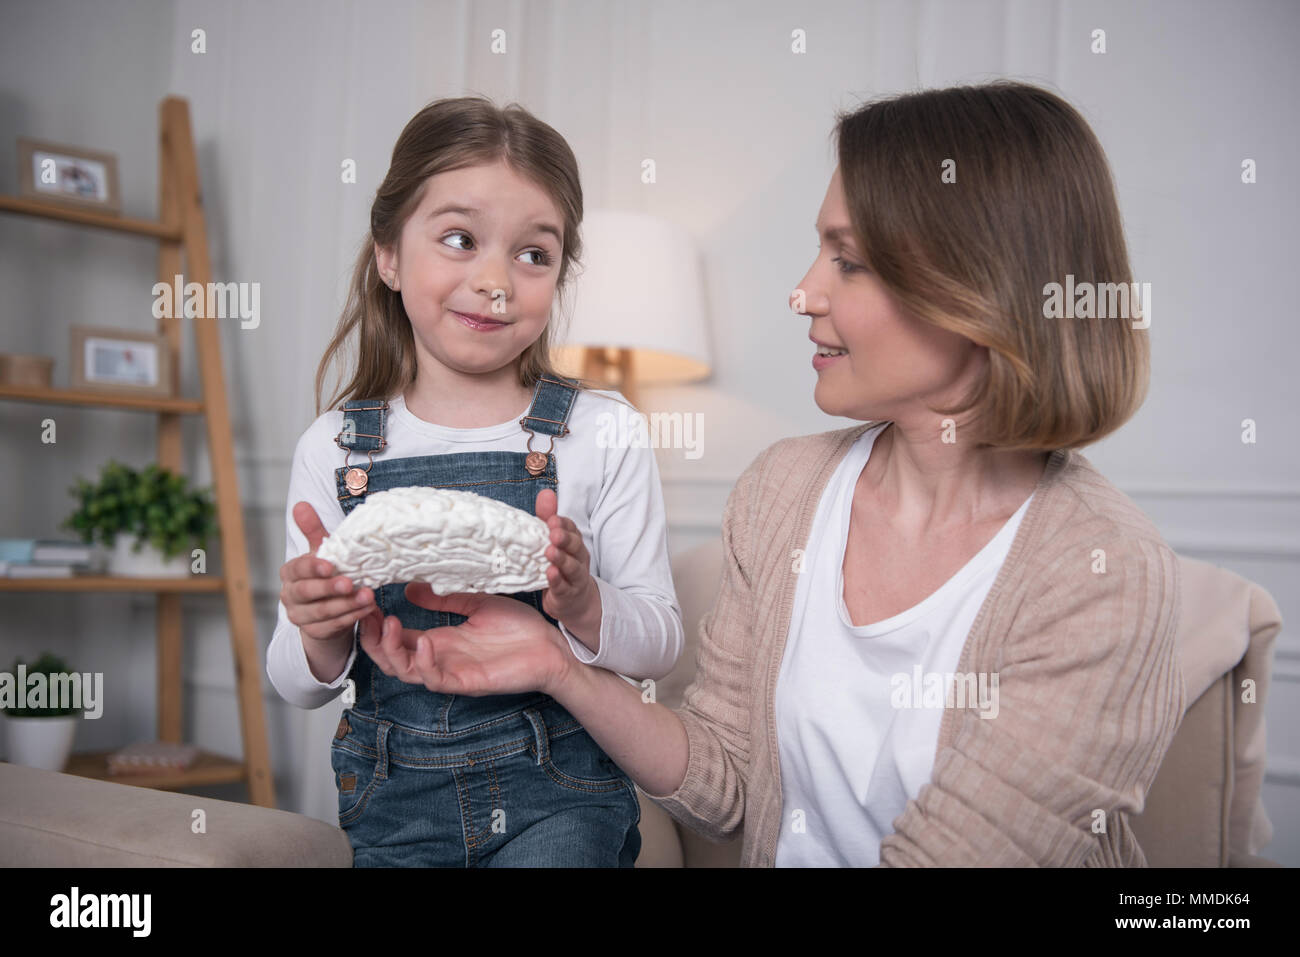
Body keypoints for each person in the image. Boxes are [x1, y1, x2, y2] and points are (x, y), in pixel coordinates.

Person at [355, 81, 1185, 867]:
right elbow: (727, 786)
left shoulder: (1100, 571)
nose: (804, 292)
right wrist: (559, 667)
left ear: (979, 291)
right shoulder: (784, 490)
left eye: (849, 262)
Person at [265, 96, 685, 867]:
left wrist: (586, 604)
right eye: (460, 239)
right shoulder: (335, 447)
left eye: (534, 254)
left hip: (560, 794)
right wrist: (318, 627)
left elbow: (659, 640)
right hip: (394, 803)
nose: (496, 282)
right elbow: (296, 684)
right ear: (389, 254)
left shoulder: (602, 430)